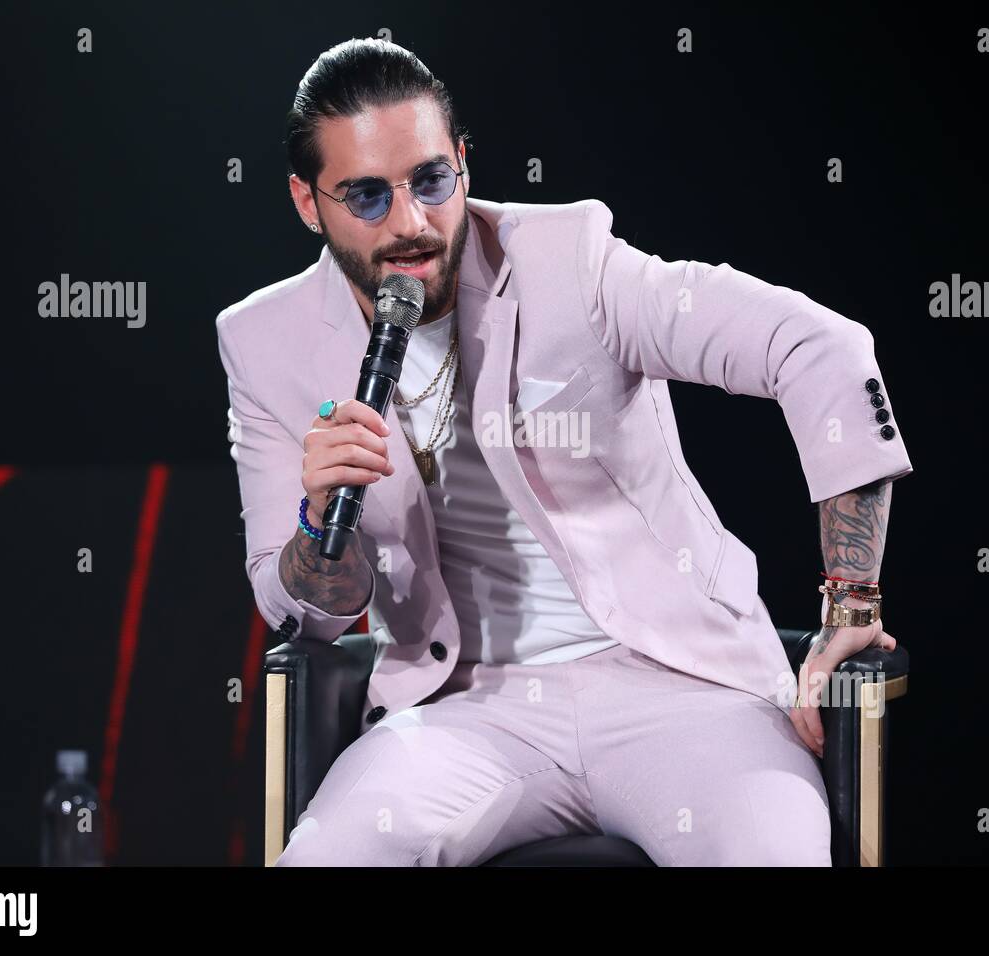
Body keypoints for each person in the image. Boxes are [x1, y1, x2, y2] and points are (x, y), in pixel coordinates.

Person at [216, 38, 913, 865]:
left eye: (430, 181)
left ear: (463, 165)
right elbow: (304, 610)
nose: (409, 223)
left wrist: (851, 605)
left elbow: (820, 349)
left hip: (680, 686)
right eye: (366, 196)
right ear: (308, 201)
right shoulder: (263, 342)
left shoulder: (570, 262)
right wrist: (320, 518)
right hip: (463, 710)